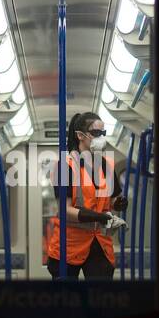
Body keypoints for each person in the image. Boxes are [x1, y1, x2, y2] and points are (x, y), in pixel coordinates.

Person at [44, 111, 128, 279]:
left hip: (99, 243)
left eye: (103, 133)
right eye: (96, 133)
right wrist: (99, 216)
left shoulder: (106, 165)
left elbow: (112, 200)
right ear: (80, 135)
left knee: (102, 299)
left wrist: (118, 203)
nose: (101, 137)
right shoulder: (65, 166)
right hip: (68, 244)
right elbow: (65, 209)